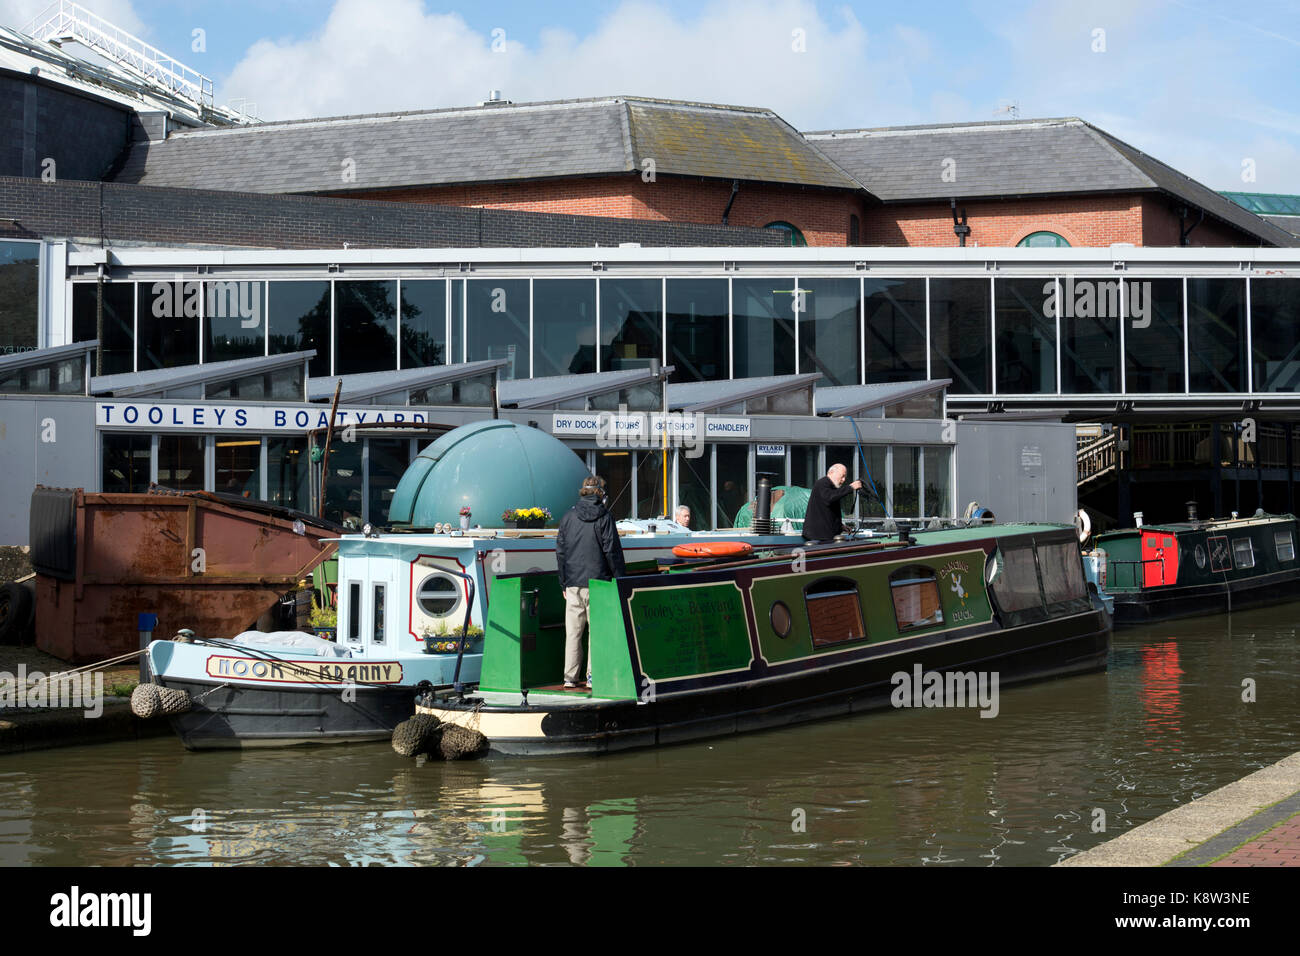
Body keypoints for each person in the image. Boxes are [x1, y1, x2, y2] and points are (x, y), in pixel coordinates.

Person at [555, 475, 626, 689]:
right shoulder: (605, 517)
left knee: (573, 633)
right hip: (599, 583)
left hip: (573, 583)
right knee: (596, 632)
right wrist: (620, 579)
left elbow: (560, 552)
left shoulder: (568, 517)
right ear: (601, 493)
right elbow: (611, 551)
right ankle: (593, 676)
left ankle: (570, 677)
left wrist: (563, 583)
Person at [802, 463, 862, 543]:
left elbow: (828, 510)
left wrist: (840, 526)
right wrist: (850, 487)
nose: (843, 480)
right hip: (818, 536)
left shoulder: (830, 487)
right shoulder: (822, 484)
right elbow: (829, 498)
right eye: (842, 476)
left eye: (845, 477)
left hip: (825, 535)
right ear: (832, 473)